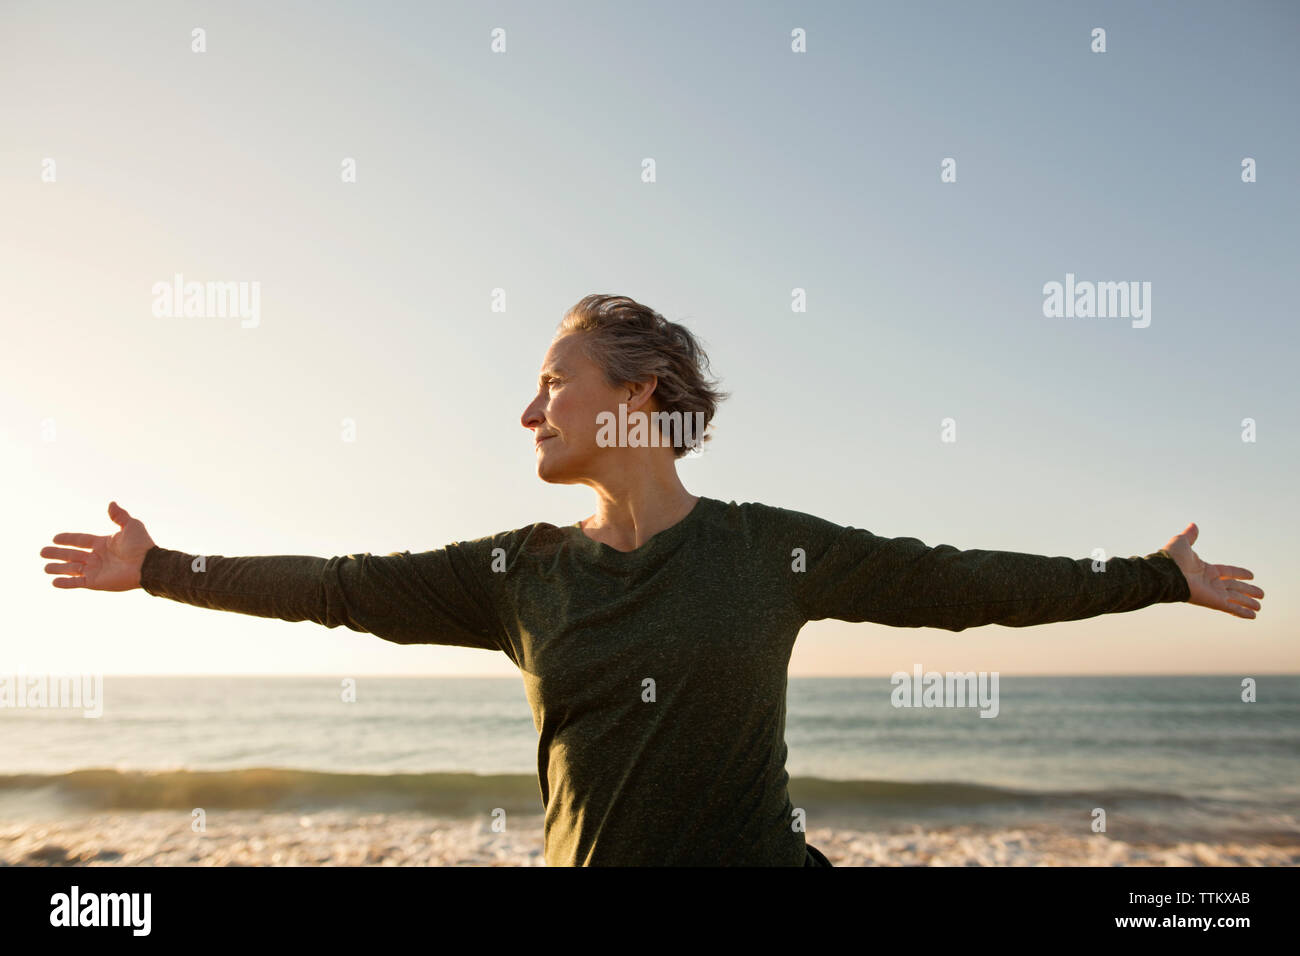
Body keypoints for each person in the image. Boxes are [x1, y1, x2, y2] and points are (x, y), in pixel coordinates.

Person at [40, 293, 1265, 867]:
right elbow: (342, 584)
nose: (529, 407)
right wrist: (161, 569)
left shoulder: (764, 549)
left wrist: (1149, 579)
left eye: (553, 380)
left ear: (634, 401)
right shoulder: (513, 572)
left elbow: (958, 578)